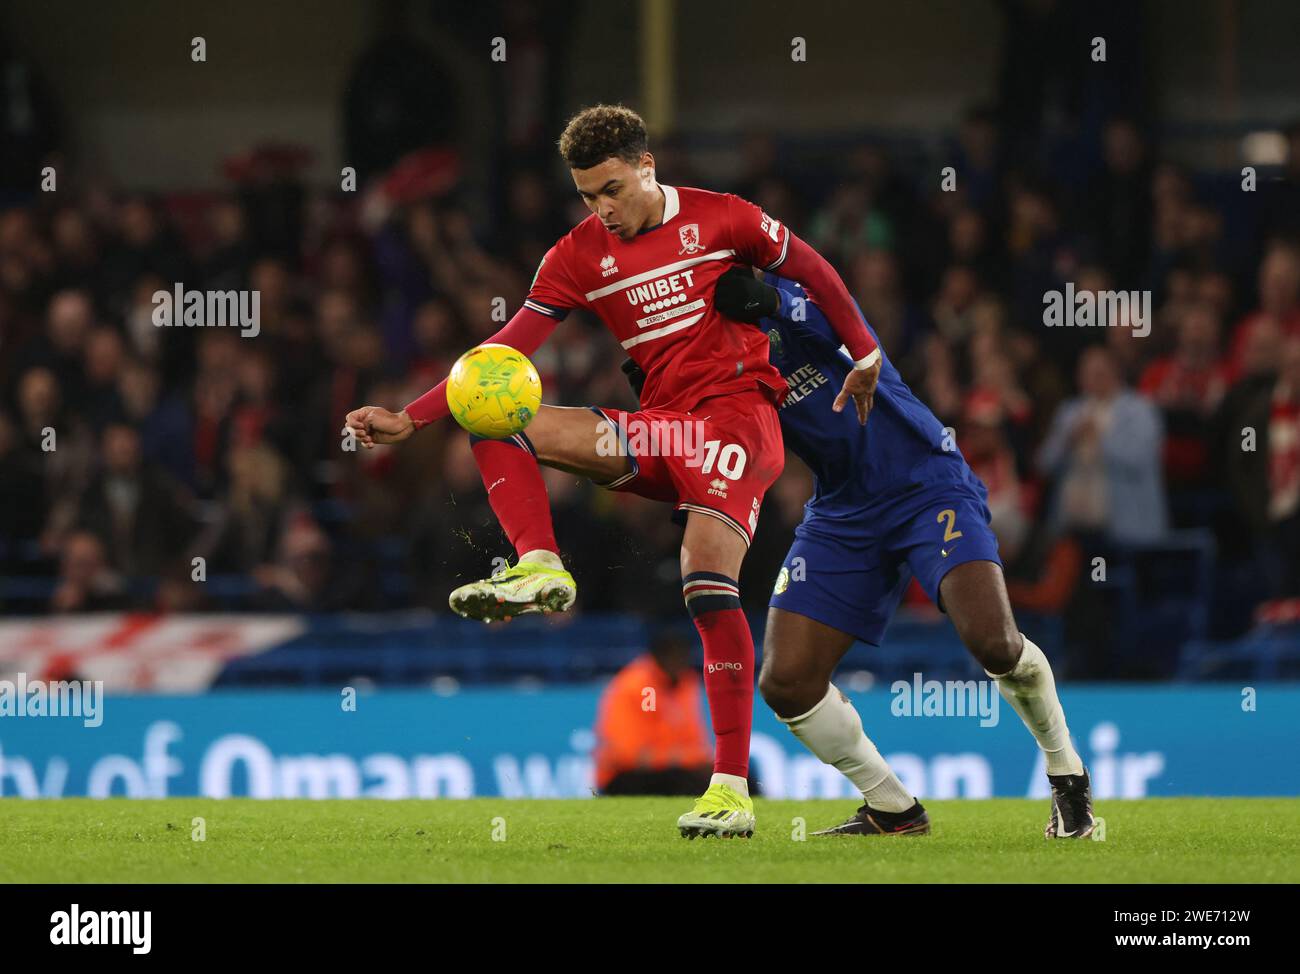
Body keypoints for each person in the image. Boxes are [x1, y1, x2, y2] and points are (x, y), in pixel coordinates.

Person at [344, 104, 883, 838]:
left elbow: (814, 268)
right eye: (587, 195)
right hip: (662, 430)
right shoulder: (577, 254)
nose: (602, 209)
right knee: (492, 410)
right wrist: (413, 418)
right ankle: (540, 563)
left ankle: (728, 791)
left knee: (707, 586)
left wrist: (865, 352)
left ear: (646, 167)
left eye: (612, 190)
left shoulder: (724, 219)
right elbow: (504, 353)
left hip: (736, 425)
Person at [674, 268, 1097, 839]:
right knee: (787, 681)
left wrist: (771, 298)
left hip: (927, 483)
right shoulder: (708, 352)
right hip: (843, 512)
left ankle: (1067, 775)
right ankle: (893, 808)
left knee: (995, 644)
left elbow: (843, 323)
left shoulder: (793, 297)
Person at [594, 629, 712, 797]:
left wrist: (695, 759)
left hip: (671, 769)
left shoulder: (686, 682)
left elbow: (695, 740)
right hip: (625, 776)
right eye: (676, 657)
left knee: (733, 779)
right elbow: (630, 755)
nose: (681, 663)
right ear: (659, 657)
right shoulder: (637, 685)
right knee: (685, 782)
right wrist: (683, 758)